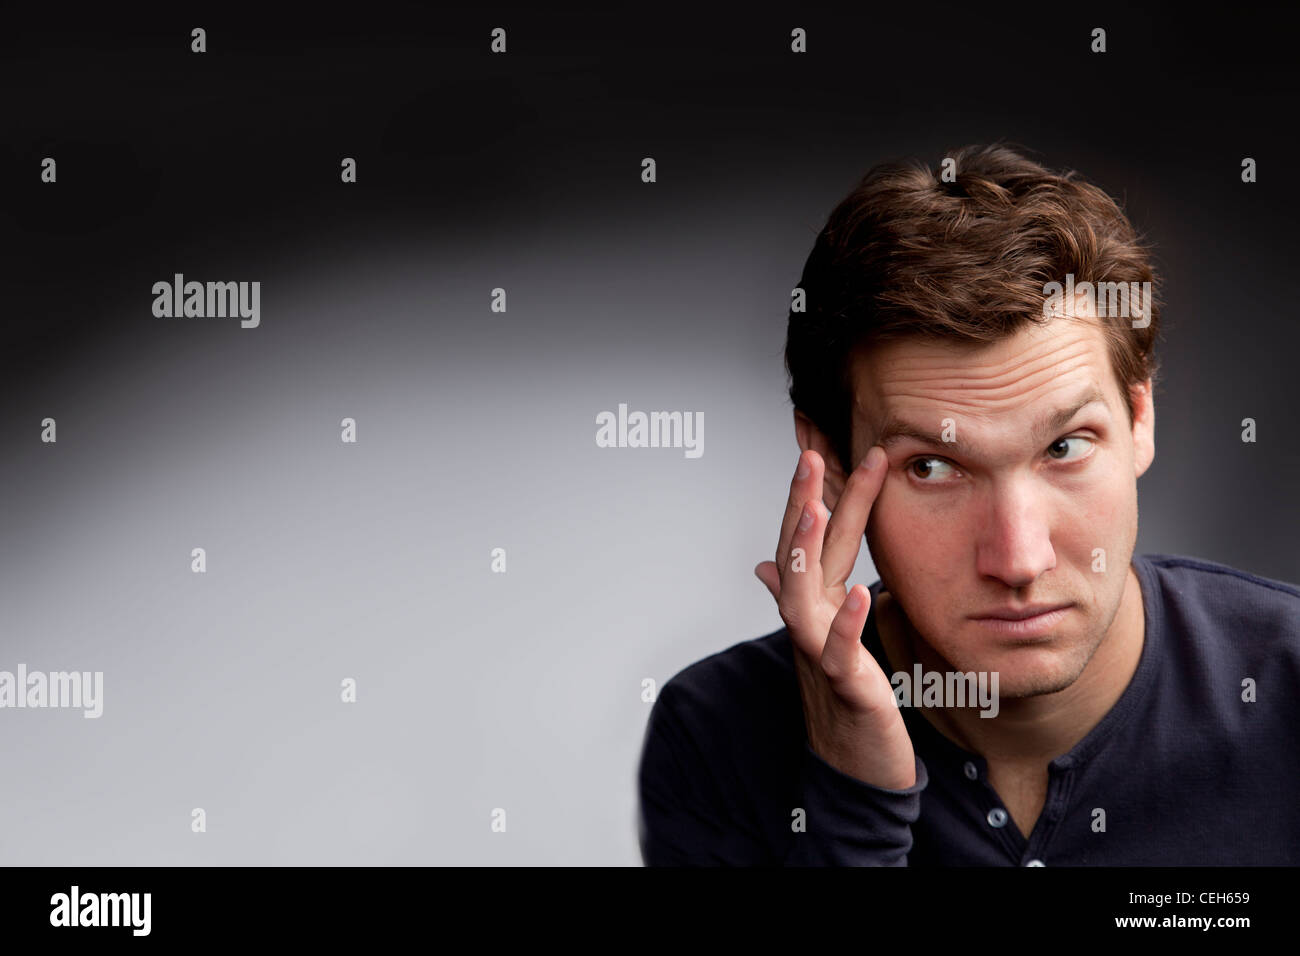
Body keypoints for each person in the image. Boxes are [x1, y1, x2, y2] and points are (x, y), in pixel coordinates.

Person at [636, 144, 1300, 865]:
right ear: (829, 462)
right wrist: (853, 800)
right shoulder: (714, 738)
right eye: (932, 467)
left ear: (1140, 419)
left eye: (1065, 447)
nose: (1018, 561)